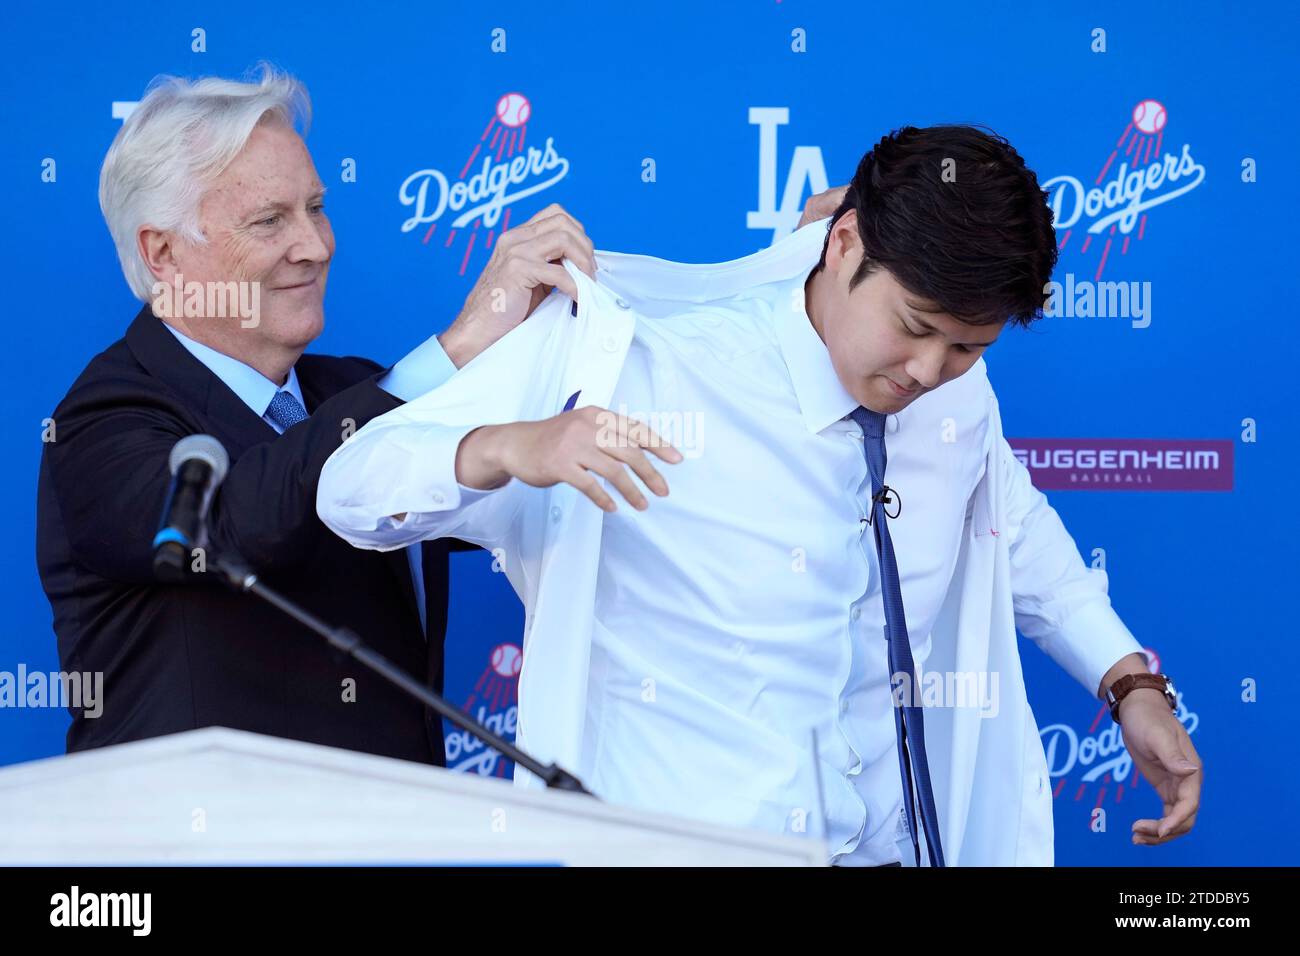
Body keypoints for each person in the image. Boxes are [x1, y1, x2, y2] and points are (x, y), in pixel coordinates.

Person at [315, 126, 1202, 864]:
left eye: (968, 348)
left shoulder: (956, 402)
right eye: (914, 329)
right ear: (844, 242)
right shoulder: (636, 366)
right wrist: (514, 445)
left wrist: (1129, 682)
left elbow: (1014, 526)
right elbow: (350, 488)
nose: (927, 372)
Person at [36, 66, 597, 764]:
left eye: (317, 207)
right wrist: (462, 341)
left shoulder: (352, 388)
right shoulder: (104, 420)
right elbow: (240, 519)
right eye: (270, 220)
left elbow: (541, 484)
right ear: (163, 253)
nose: (317, 245)